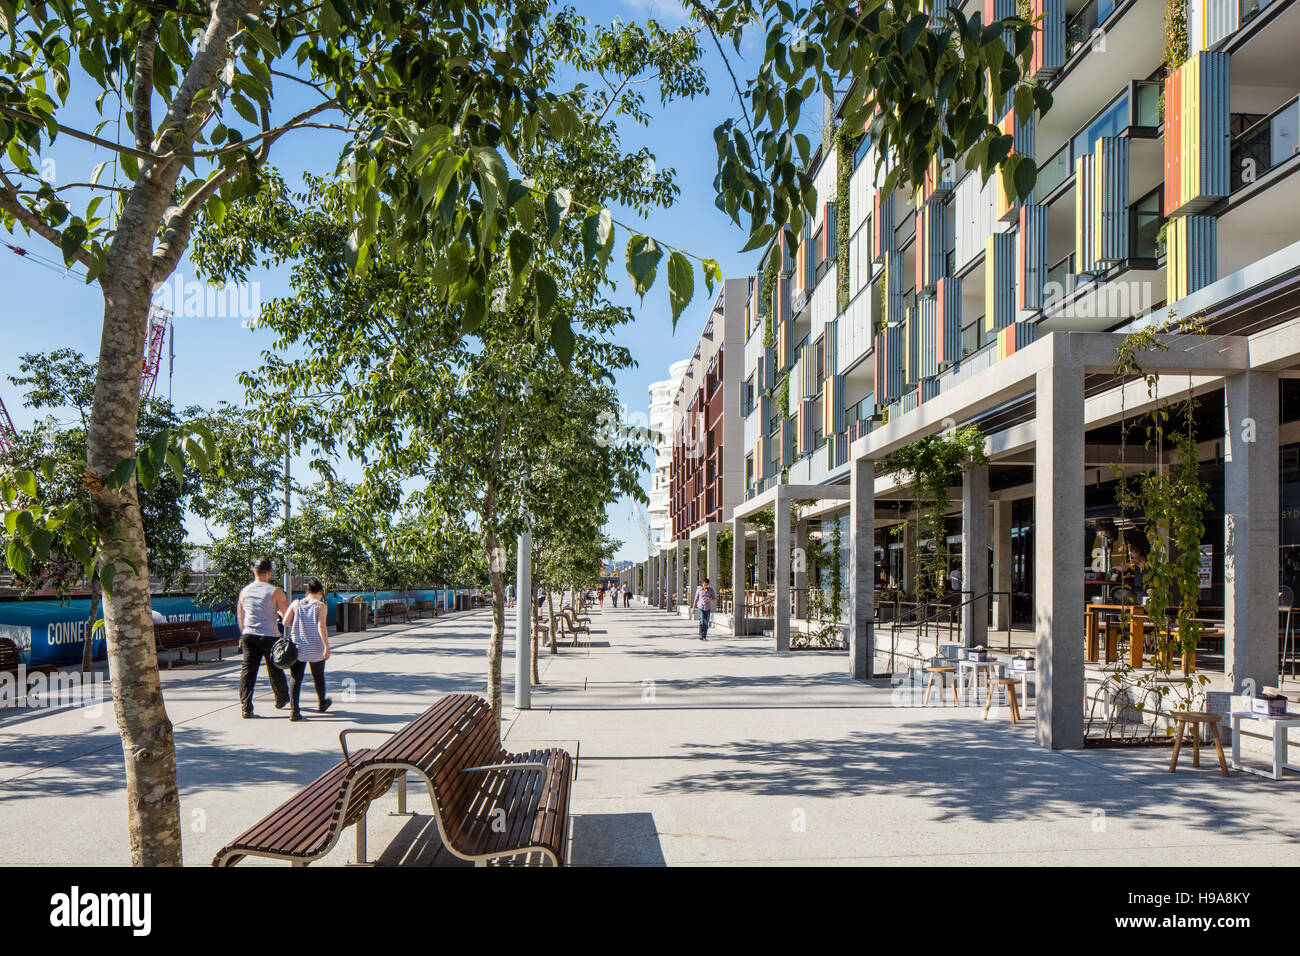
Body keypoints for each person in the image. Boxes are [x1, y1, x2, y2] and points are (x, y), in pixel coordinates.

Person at [236, 559, 290, 718]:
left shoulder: (244, 591)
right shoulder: (275, 591)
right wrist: (280, 617)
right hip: (269, 635)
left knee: (248, 671)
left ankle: (246, 707)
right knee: (275, 668)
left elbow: (241, 617)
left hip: (249, 635)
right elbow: (286, 615)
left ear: (254, 572)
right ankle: (281, 699)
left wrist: (245, 632)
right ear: (269, 573)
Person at [281, 578, 332, 721]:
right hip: (316, 646)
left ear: (307, 591)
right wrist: (326, 647)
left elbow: (285, 622)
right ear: (320, 592)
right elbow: (321, 626)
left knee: (296, 679)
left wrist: (298, 625)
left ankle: (294, 711)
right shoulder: (321, 606)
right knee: (318, 676)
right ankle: (322, 703)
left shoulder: (296, 603)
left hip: (298, 646)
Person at [693, 577, 717, 641]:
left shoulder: (711, 590)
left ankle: (704, 636)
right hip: (701, 607)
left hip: (708, 608)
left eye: (706, 584)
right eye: (704, 584)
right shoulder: (699, 590)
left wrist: (710, 599)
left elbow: (714, 599)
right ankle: (701, 635)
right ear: (702, 584)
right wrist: (693, 608)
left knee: (706, 622)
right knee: (701, 621)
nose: (705, 585)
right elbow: (695, 600)